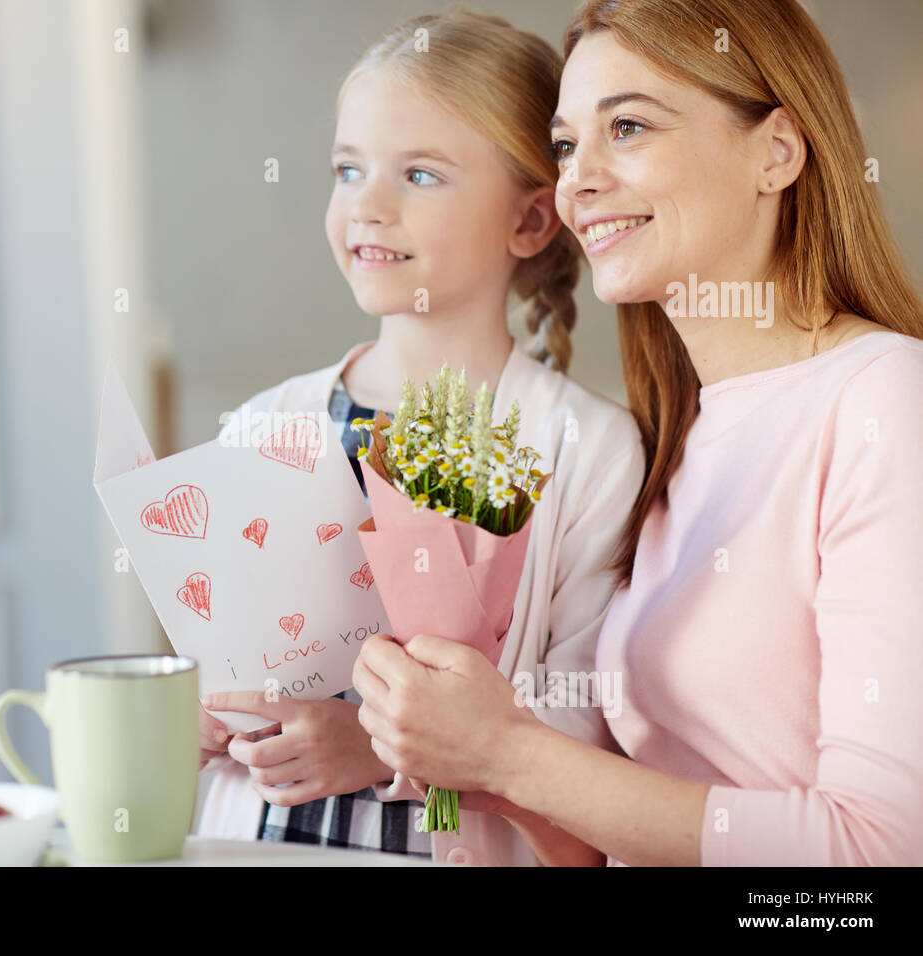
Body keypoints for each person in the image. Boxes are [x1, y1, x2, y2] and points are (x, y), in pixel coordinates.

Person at [354, 0, 923, 866]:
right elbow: (600, 848)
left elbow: (877, 855)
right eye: (566, 144)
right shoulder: (679, 438)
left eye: (628, 126)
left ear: (777, 151)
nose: (576, 179)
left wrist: (509, 752)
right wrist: (477, 753)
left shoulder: (882, 400)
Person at [195, 6, 645, 866]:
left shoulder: (586, 450)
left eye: (422, 176)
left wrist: (381, 748)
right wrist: (201, 716)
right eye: (347, 169)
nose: (367, 205)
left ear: (531, 221)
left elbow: (585, 720)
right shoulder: (262, 425)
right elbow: (223, 661)